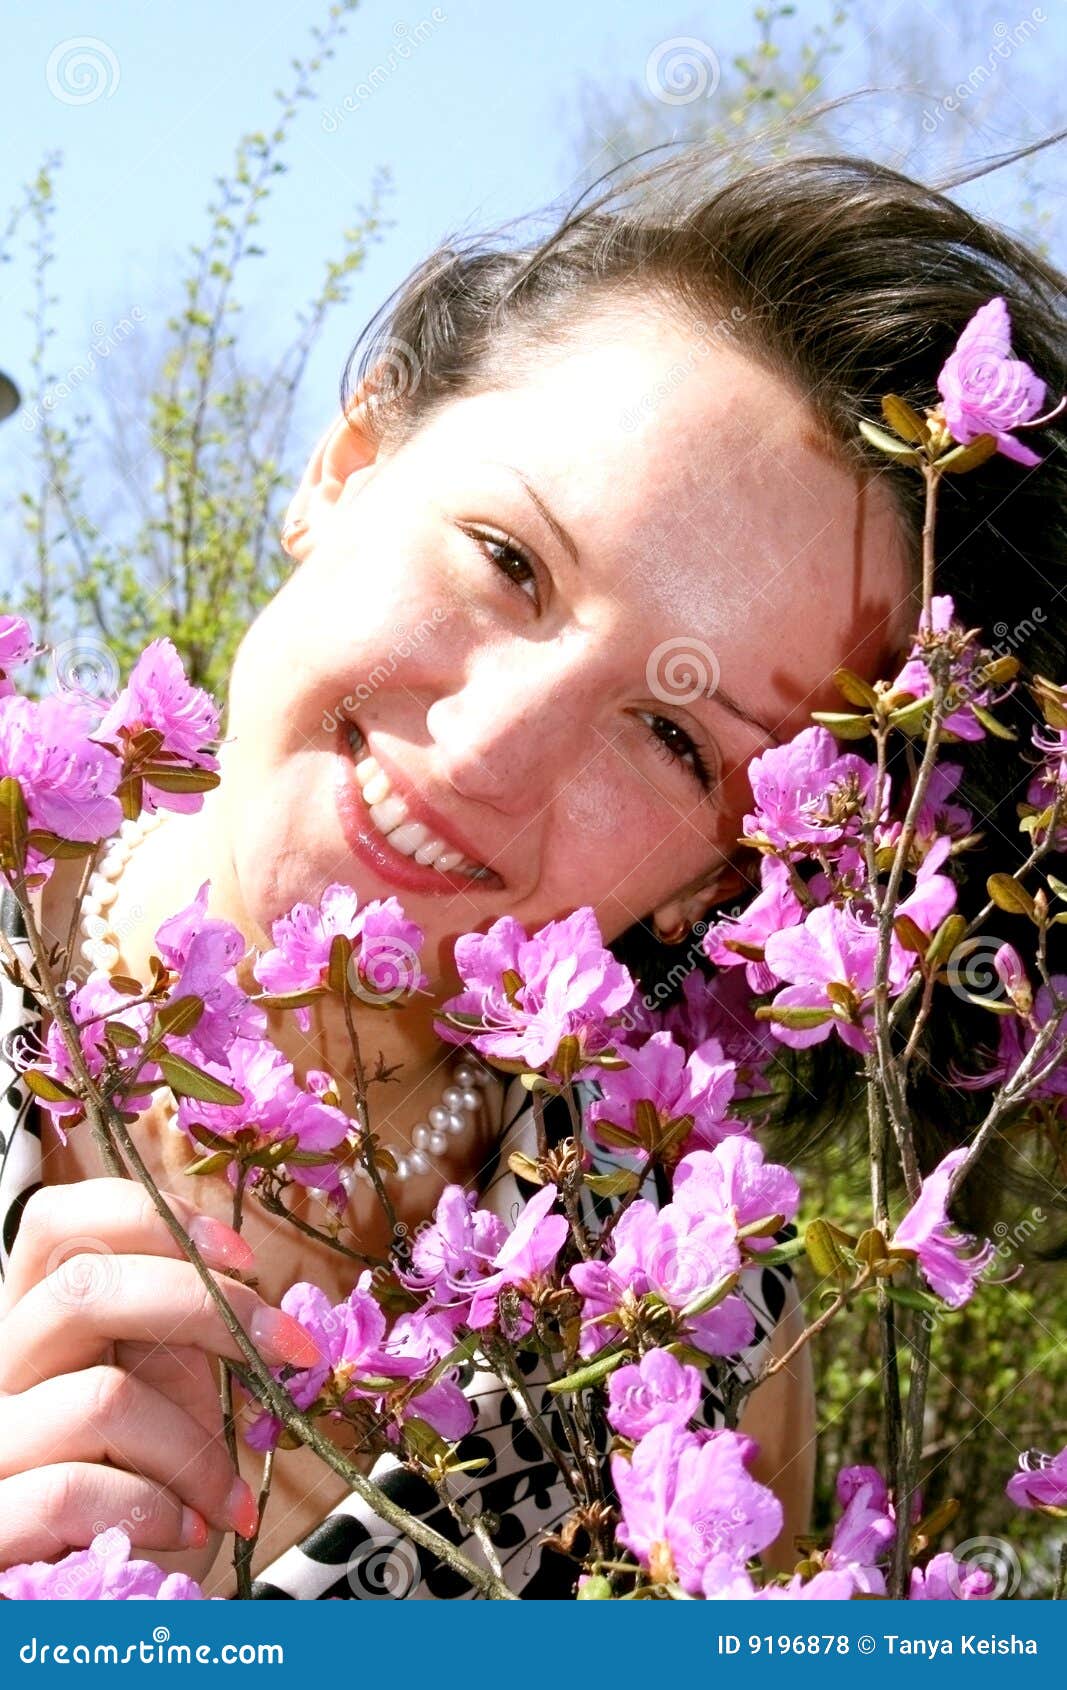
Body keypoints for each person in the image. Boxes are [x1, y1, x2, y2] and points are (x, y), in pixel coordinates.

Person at [0, 134, 1063, 1598]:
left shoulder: (693, 1332)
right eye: (509, 560)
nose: (490, 752)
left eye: (675, 739)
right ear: (347, 468)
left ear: (728, 880)